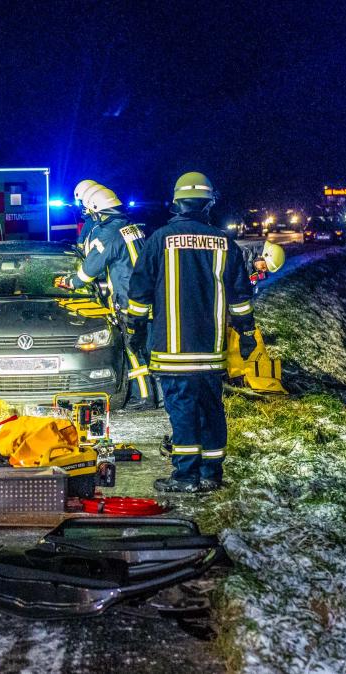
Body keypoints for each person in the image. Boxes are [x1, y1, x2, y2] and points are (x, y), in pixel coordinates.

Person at [126, 172, 257, 494]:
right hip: (211, 350)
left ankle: (186, 477)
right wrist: (247, 332)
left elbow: (139, 290)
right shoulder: (224, 242)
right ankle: (212, 473)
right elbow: (240, 295)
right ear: (209, 202)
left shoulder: (159, 240)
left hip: (172, 350)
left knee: (183, 411)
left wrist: (135, 328)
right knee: (211, 409)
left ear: (177, 203)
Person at [55, 186, 153, 409]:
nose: (88, 214)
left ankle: (144, 397)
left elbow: (89, 271)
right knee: (149, 348)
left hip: (130, 300)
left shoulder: (107, 233)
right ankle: (157, 396)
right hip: (150, 296)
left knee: (133, 350)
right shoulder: (132, 227)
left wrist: (70, 282)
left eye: (89, 210)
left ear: (97, 208)